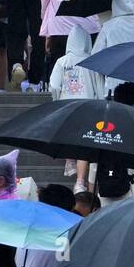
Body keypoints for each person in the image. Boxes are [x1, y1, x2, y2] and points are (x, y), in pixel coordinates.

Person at [48, 25, 102, 181]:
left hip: (67, 106)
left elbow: (54, 86)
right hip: (88, 106)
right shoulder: (92, 62)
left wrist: (57, 100)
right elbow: (99, 87)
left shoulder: (62, 61)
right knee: (84, 142)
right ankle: (80, 181)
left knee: (70, 136)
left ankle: (70, 160)